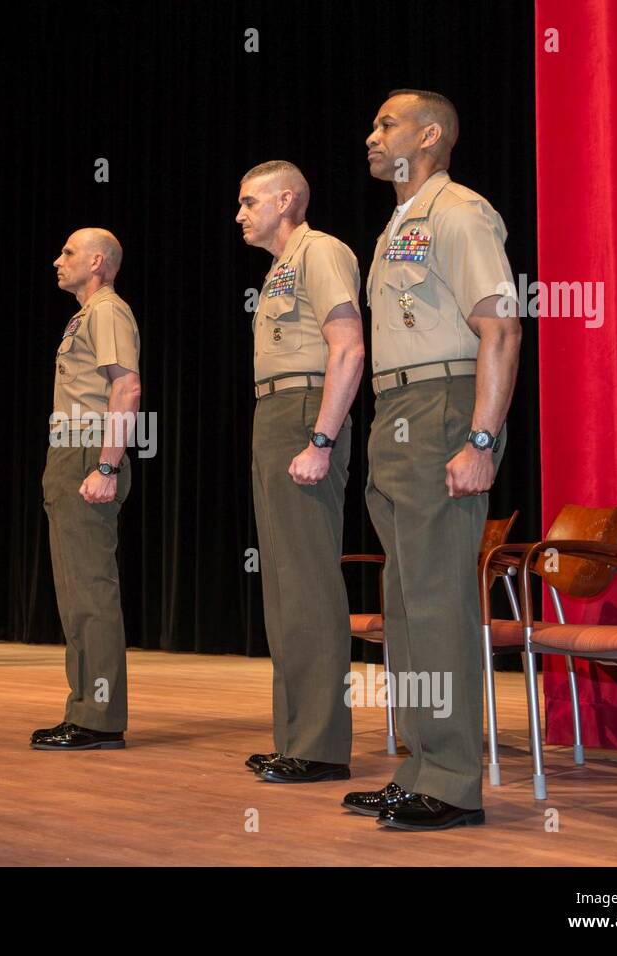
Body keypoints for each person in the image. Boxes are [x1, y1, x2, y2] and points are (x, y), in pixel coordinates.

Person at [343, 89, 521, 830]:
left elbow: (502, 329)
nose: (372, 135)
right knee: (410, 605)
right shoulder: (398, 225)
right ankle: (419, 764)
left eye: (387, 123)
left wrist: (480, 440)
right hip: (395, 411)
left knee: (441, 598)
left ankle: (452, 780)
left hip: (443, 406)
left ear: (432, 133)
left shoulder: (459, 212)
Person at [235, 161, 365, 782]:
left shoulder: (322, 251)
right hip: (274, 411)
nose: (239, 213)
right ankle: (294, 736)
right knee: (283, 586)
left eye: (248, 201)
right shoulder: (278, 268)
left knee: (308, 581)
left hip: (306, 412)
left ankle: (319, 746)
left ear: (285, 199)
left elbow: (349, 347)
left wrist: (321, 437)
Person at [30, 228, 141, 751]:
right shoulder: (85, 314)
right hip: (70, 452)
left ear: (98, 261)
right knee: (76, 595)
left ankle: (98, 716)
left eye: (67, 251)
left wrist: (108, 466)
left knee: (91, 592)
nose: (58, 259)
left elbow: (127, 386)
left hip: (88, 452)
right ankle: (85, 709)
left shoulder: (106, 311)